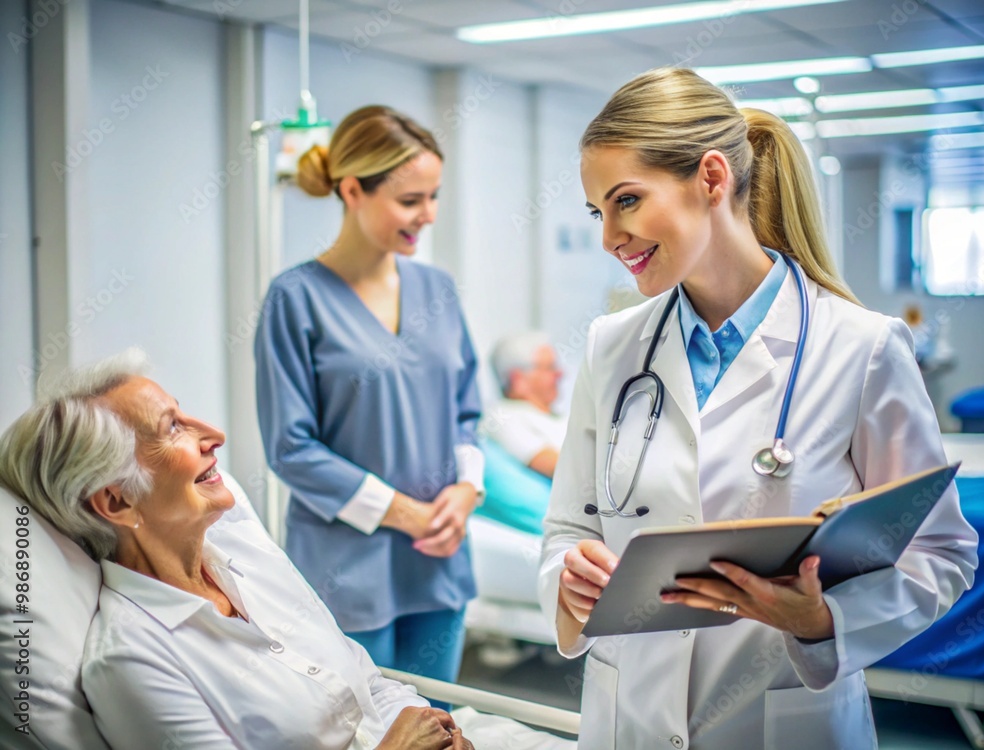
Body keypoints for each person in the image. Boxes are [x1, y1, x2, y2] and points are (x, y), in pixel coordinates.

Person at [539, 67, 979, 750]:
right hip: (628, 717)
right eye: (599, 212)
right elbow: (569, 526)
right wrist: (568, 585)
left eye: (627, 201)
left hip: (783, 724)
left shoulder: (860, 347)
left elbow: (942, 552)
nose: (610, 238)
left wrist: (823, 620)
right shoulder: (610, 346)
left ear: (712, 179)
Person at [0, 351, 474, 749]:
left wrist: (438, 729)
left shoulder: (245, 550)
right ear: (116, 501)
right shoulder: (132, 661)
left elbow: (365, 680)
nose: (214, 435)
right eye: (172, 428)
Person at [254, 106, 483, 687]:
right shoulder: (296, 299)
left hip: (438, 558)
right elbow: (291, 448)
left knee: (437, 725)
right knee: (361, 730)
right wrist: (407, 514)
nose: (427, 215)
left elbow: (467, 411)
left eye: (434, 197)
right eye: (411, 201)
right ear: (353, 190)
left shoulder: (438, 289)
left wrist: (465, 490)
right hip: (346, 570)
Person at [484, 332, 567, 478]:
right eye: (550, 367)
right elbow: (563, 467)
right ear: (518, 380)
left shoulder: (560, 416)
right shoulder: (503, 416)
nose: (561, 373)